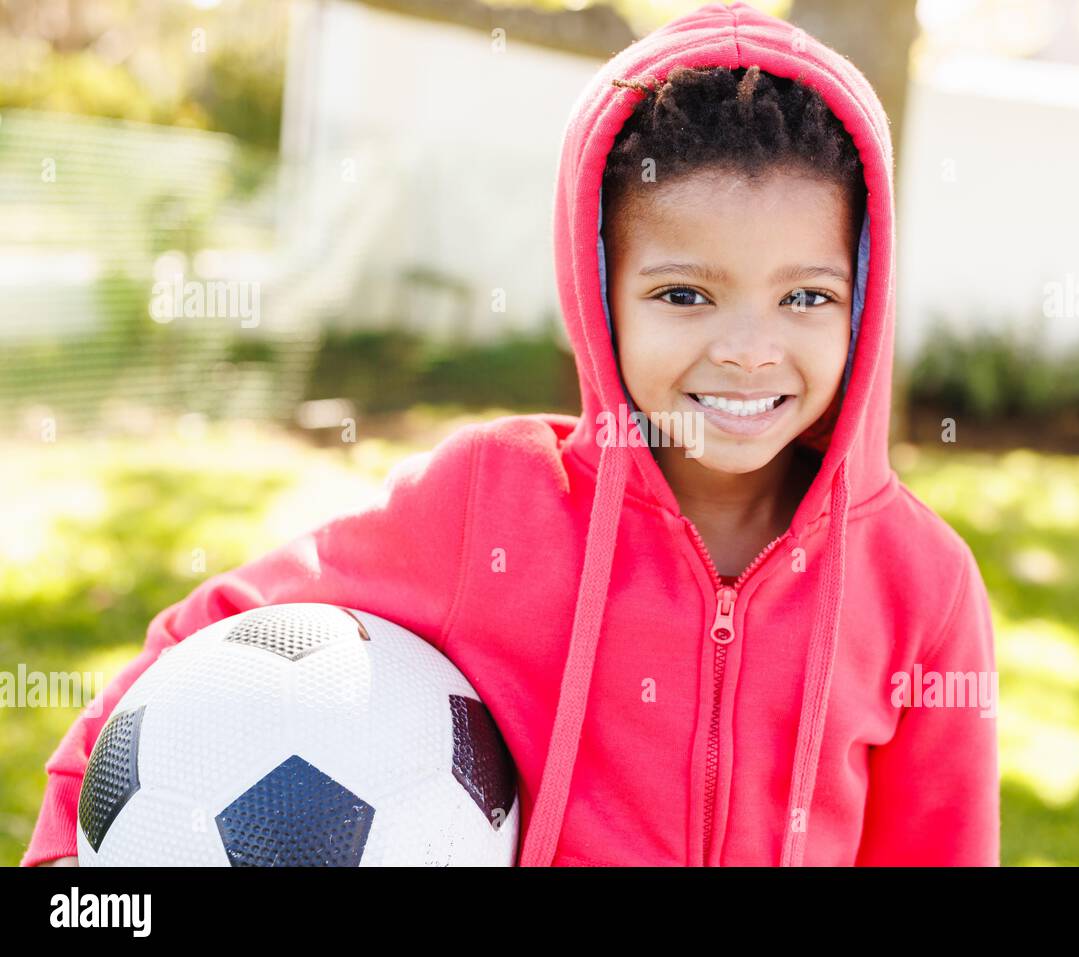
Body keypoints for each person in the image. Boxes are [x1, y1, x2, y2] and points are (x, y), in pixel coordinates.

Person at [25, 0, 998, 867]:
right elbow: (205, 642)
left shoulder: (922, 586)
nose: (749, 350)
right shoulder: (490, 500)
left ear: (862, 300)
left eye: (804, 296)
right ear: (599, 288)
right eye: (685, 294)